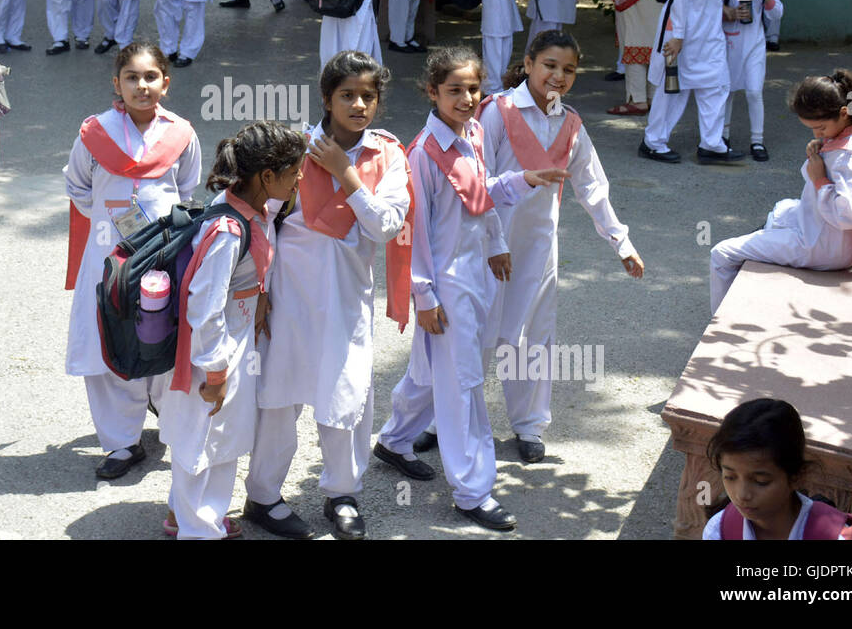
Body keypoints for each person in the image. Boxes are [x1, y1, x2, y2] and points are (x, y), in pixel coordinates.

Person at [374, 48, 565, 531]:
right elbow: (413, 231)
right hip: (445, 285)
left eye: (472, 89)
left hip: (476, 275)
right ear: (432, 91)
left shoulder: (475, 133)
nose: (465, 98)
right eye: (454, 89)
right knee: (462, 385)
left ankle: (393, 440)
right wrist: (424, 296)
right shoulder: (422, 152)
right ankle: (472, 490)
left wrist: (514, 202)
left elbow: (481, 194)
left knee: (431, 370)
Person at [244, 51, 413, 540]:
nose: (358, 104)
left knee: (348, 395)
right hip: (288, 293)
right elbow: (259, 220)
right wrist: (256, 289)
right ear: (326, 98)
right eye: (347, 95)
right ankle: (264, 497)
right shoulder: (292, 147)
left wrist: (346, 172)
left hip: (346, 296)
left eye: (368, 96)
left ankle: (342, 493)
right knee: (278, 395)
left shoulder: (387, 154)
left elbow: (385, 227)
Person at [478, 31, 644, 463]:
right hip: (484, 243)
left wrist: (620, 241)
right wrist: (493, 240)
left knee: (534, 337)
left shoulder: (570, 123)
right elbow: (477, 183)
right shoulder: (496, 112)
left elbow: (592, 186)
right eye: (550, 64)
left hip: (537, 248)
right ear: (529, 63)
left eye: (569, 69)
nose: (558, 75)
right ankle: (441, 420)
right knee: (472, 331)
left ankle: (529, 425)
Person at [158, 122, 305, 539]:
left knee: (212, 438)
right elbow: (204, 308)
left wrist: (258, 296)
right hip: (213, 352)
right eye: (295, 172)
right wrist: (216, 370)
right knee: (206, 443)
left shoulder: (243, 207)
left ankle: (184, 514)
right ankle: (200, 529)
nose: (300, 180)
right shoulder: (229, 230)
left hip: (230, 342)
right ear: (267, 177)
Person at [64, 43, 201, 479]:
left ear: (166, 81)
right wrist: (117, 228)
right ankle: (121, 443)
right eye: (131, 77)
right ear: (116, 83)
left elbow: (188, 191)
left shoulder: (181, 134)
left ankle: (172, 424)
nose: (141, 86)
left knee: (163, 336)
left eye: (150, 77)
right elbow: (79, 187)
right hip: (108, 258)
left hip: (162, 256)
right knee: (107, 339)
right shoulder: (94, 134)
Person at [709, 70, 852, 312]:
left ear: (843, 113)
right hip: (833, 240)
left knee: (721, 253)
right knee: (778, 213)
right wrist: (822, 146)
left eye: (820, 128)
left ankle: (720, 323)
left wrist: (821, 181)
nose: (816, 134)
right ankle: (754, 301)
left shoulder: (844, 156)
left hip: (821, 246)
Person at [639, 0, 740, 164]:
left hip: (709, 29)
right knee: (672, 89)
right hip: (683, 28)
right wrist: (679, 35)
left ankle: (712, 144)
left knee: (716, 84)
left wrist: (721, 9)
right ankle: (653, 142)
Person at [703, 399, 839, 539]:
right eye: (730, 477)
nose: (742, 495)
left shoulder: (833, 536)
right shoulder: (718, 531)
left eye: (761, 481)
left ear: (797, 476)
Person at [722, 0, 783, 161]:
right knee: (726, 92)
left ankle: (757, 141)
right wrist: (729, 13)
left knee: (754, 91)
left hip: (755, 46)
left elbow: (776, 14)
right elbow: (711, 11)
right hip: (729, 45)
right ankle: (723, 136)